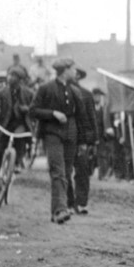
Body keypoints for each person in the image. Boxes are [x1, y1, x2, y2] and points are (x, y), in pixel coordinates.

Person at [29, 57, 81, 224]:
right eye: (73, 69)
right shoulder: (46, 88)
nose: (75, 72)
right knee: (58, 171)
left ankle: (58, 210)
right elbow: (33, 110)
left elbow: (80, 115)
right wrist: (53, 114)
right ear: (65, 70)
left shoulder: (74, 90)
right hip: (52, 133)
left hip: (70, 135)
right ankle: (60, 210)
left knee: (66, 172)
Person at [0, 65, 34, 193]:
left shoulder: (28, 94)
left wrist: (27, 110)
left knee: (20, 143)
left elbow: (35, 108)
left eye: (14, 76)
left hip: (20, 125)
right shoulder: (1, 93)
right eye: (9, 75)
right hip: (4, 126)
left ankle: (17, 163)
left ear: (20, 80)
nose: (10, 78)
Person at [67, 68, 98, 214]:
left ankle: (81, 202)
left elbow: (92, 119)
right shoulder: (59, 93)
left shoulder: (86, 94)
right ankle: (68, 203)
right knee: (64, 172)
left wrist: (92, 140)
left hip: (81, 140)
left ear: (78, 76)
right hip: (64, 138)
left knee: (83, 171)